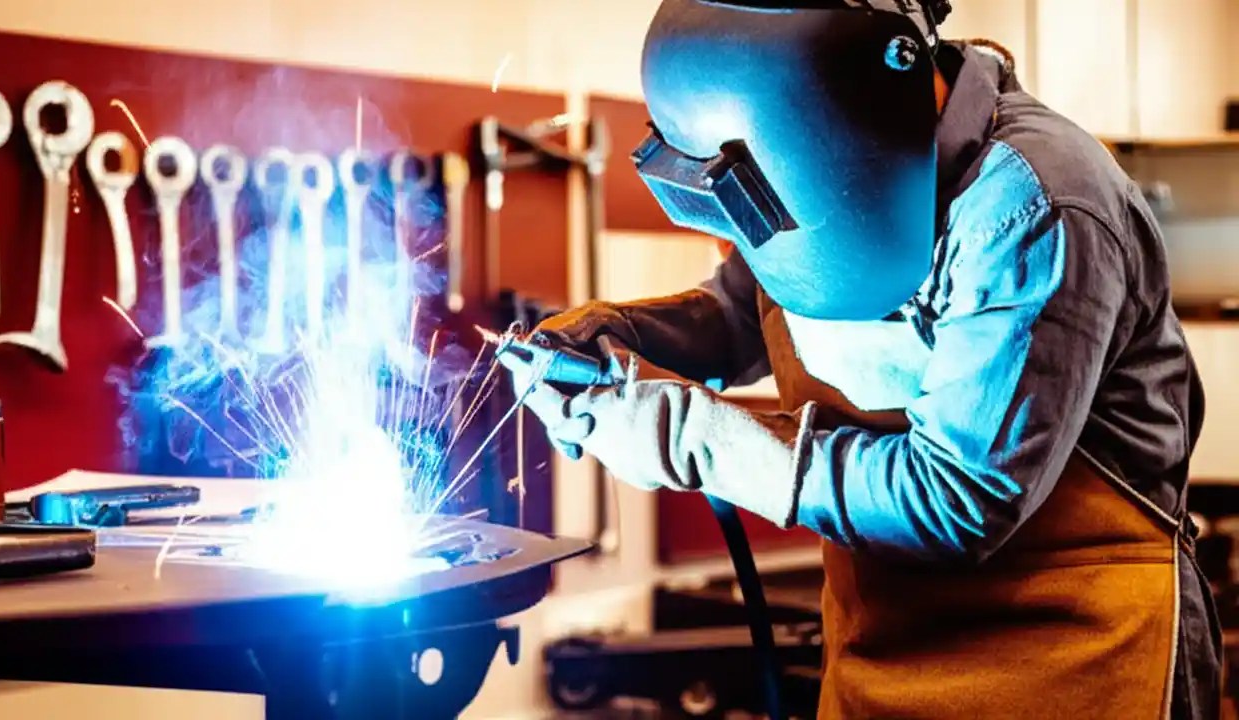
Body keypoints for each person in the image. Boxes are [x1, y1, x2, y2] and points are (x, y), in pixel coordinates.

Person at [497, 0, 1223, 717]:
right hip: (883, 651)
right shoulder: (816, 155)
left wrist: (687, 436)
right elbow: (747, 306)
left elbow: (958, 500)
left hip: (1075, 656)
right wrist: (625, 336)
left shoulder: (1033, 205)